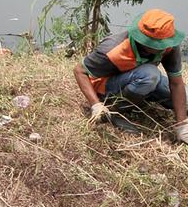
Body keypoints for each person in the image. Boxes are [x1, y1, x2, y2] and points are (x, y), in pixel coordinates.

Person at [74, 9, 188, 141]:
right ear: (145, 41)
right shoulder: (112, 48)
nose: (164, 47)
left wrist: (182, 124)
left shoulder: (169, 45)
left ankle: (142, 94)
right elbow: (79, 71)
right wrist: (96, 104)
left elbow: (176, 83)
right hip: (108, 85)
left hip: (142, 79)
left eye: (166, 42)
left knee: (184, 97)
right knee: (150, 75)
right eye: (159, 44)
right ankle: (114, 111)